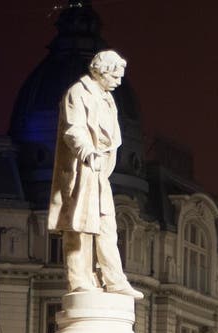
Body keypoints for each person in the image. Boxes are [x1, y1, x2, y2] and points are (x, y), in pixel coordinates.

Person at [48, 50, 143, 299]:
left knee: (106, 225)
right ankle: (79, 281)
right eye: (116, 75)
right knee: (78, 227)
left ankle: (114, 280)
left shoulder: (108, 98)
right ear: (101, 70)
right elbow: (73, 129)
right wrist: (88, 152)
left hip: (100, 172)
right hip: (81, 169)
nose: (119, 81)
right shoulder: (78, 92)